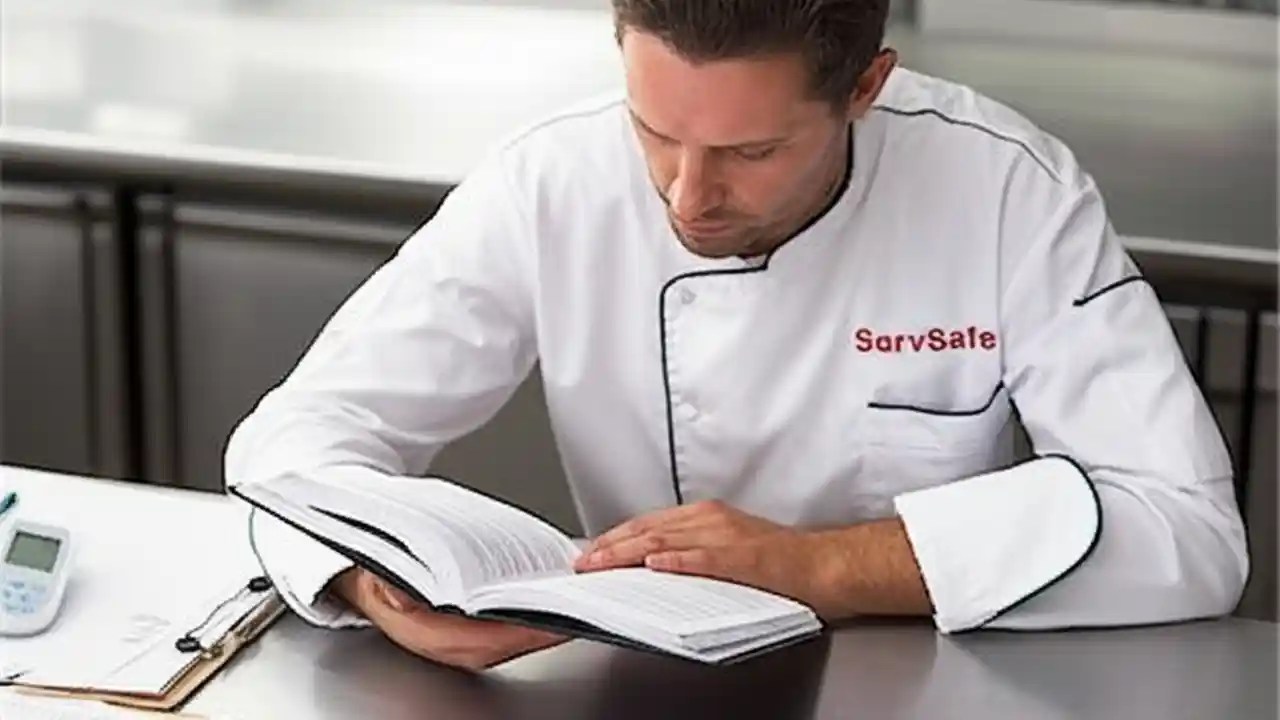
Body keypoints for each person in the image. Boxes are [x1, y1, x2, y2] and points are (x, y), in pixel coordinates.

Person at [225, 0, 1248, 671]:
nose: (687, 194)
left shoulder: (1002, 190)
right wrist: (374, 578)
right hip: (634, 684)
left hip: (925, 682)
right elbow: (298, 439)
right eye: (653, 132)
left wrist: (818, 565)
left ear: (865, 88)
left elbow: (1186, 531)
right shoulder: (553, 179)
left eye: (749, 151)